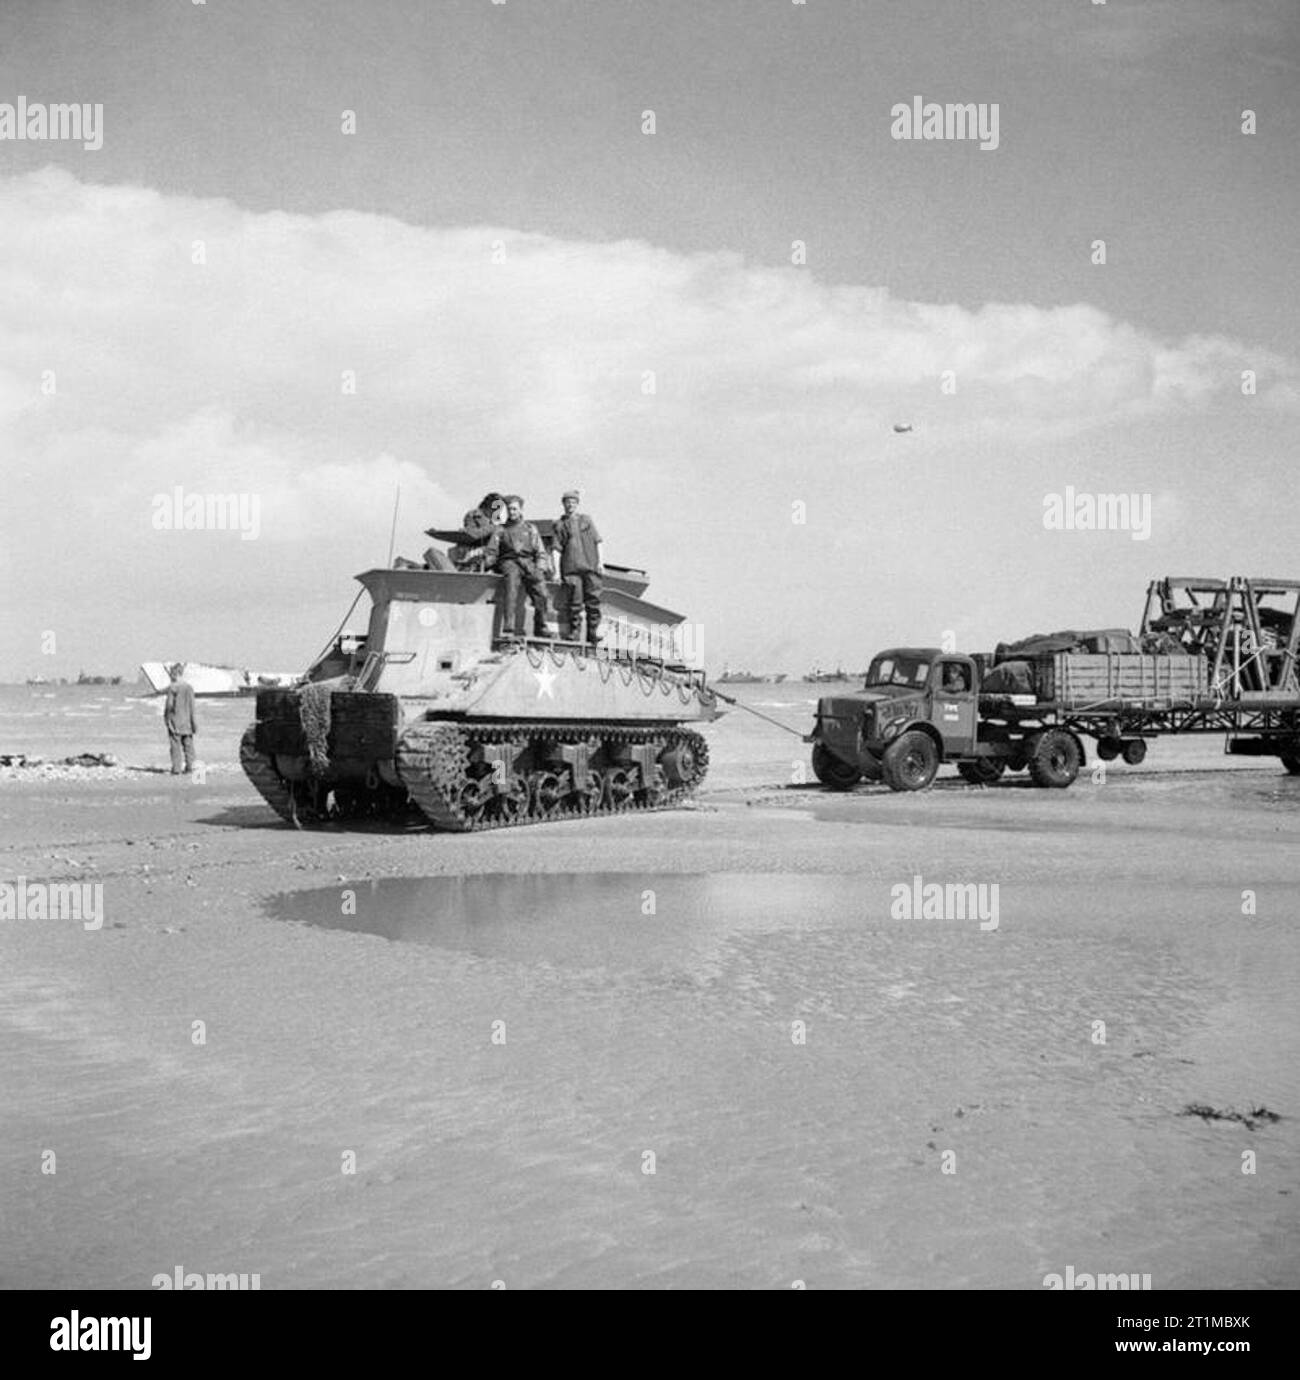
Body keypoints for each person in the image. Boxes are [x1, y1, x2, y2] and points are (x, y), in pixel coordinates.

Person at [485, 495, 556, 637]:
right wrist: (489, 563)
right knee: (511, 586)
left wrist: (540, 567)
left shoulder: (531, 529)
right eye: (509, 509)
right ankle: (509, 626)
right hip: (509, 562)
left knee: (541, 591)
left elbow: (540, 551)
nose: (512, 512)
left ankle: (541, 626)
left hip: (528, 562)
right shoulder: (500, 530)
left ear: (521, 510)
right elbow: (492, 550)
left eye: (515, 509)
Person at [551, 489, 603, 644]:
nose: (570, 505)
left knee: (593, 601)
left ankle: (593, 633)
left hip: (590, 566)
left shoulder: (586, 520)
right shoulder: (559, 525)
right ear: (563, 504)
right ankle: (575, 633)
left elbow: (598, 541)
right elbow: (556, 549)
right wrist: (556, 572)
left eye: (573, 502)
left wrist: (600, 562)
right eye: (567, 502)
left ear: (577, 504)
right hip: (571, 569)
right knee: (575, 603)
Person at [163, 663, 197, 774]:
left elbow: (169, 705)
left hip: (175, 721)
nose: (170, 677)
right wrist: (194, 723)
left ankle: (176, 769)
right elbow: (192, 707)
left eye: (171, 674)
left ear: (175, 674)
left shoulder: (173, 688)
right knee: (189, 746)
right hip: (187, 722)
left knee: (175, 746)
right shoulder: (189, 688)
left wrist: (166, 718)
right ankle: (190, 767)